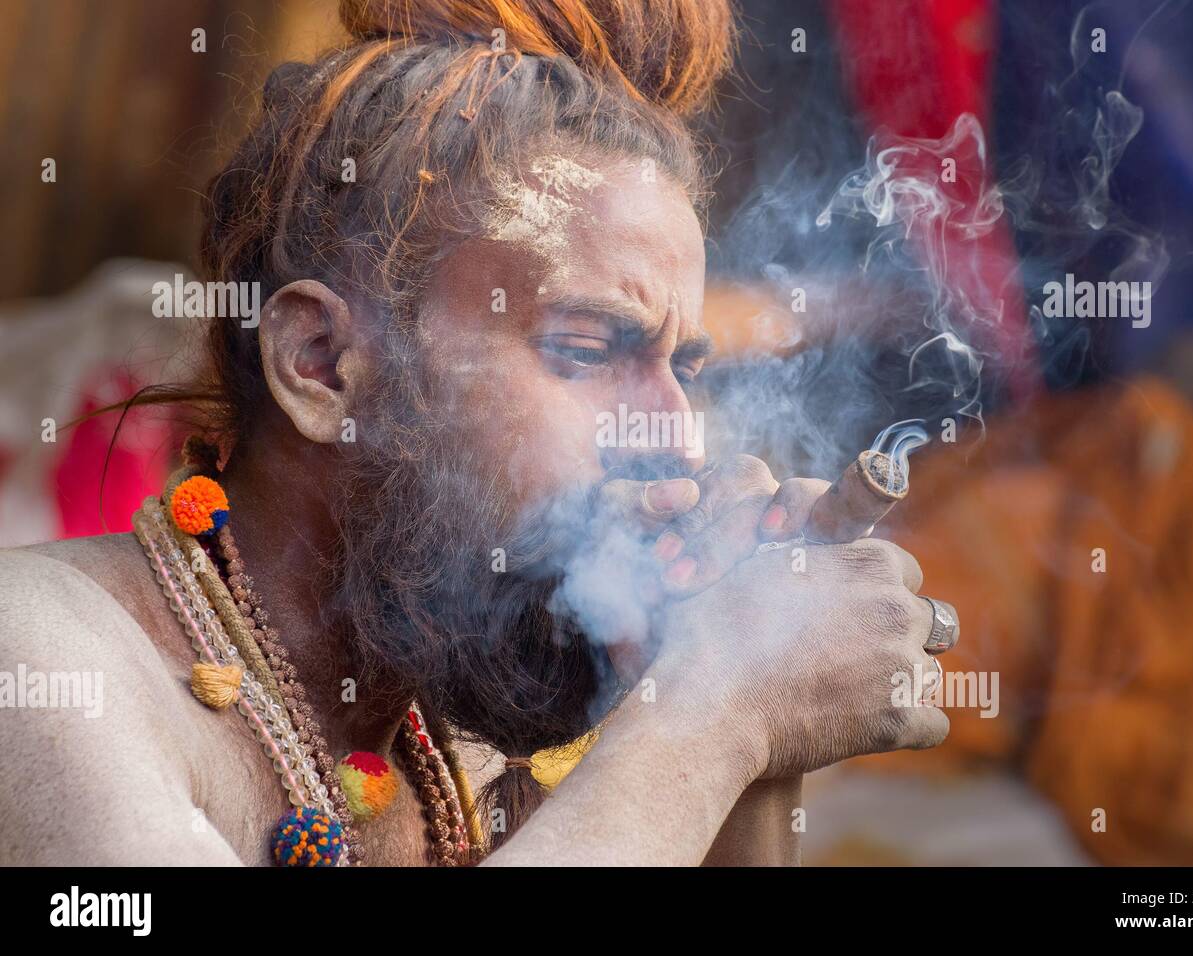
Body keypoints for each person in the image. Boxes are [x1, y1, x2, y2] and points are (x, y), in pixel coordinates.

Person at [0, 0, 956, 866]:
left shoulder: (454, 764)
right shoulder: (43, 659)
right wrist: (716, 716)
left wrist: (732, 703)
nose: (675, 439)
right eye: (586, 349)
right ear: (325, 367)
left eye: (687, 370)